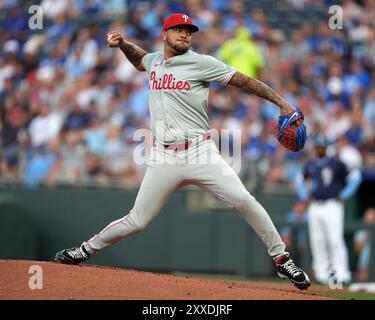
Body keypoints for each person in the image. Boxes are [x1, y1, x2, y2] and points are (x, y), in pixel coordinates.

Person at [55, 13, 311, 290]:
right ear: (164, 34)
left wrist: (282, 102)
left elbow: (245, 81)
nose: (185, 34)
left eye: (188, 31)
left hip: (200, 151)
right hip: (164, 156)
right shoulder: (154, 60)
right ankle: (83, 251)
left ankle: (282, 260)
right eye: (178, 30)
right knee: (137, 220)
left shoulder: (202, 63)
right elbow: (140, 60)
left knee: (244, 200)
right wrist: (123, 44)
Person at [295, 134, 362, 285]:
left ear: (327, 148)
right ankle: (322, 275)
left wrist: (344, 194)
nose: (319, 148)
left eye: (322, 146)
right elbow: (299, 179)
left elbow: (356, 177)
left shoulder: (336, 164)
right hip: (315, 205)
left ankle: (342, 274)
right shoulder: (310, 164)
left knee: (334, 240)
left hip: (332, 205)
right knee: (317, 240)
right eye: (317, 146)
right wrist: (304, 195)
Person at [354, 207, 375, 282]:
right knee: (362, 279)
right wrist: (366, 236)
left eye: (372, 215)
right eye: (368, 215)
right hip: (363, 268)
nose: (370, 217)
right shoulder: (361, 230)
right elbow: (357, 250)